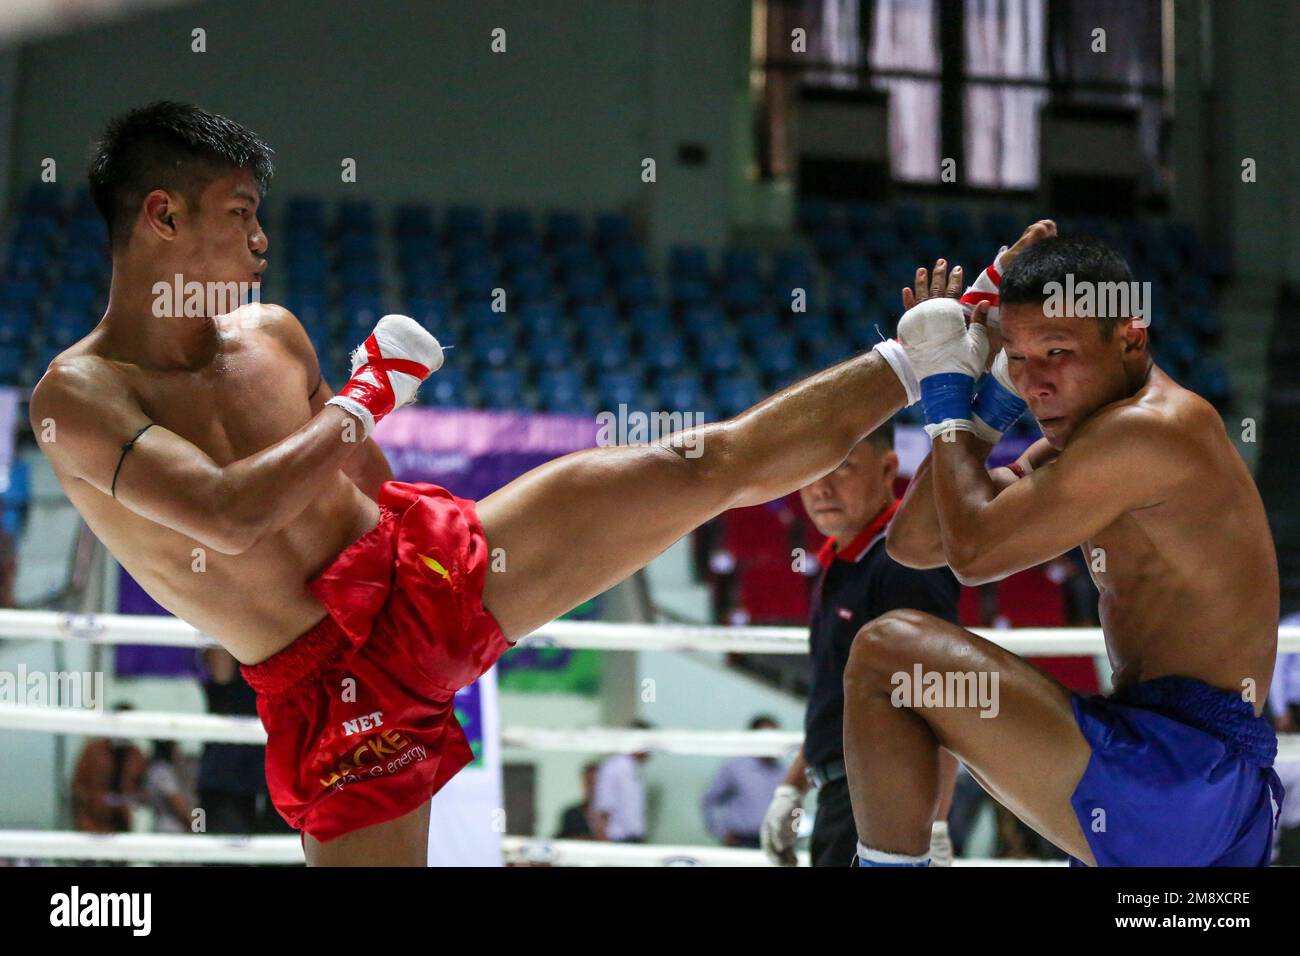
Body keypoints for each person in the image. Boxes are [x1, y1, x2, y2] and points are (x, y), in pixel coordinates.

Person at [33, 101, 922, 866]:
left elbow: (371, 484)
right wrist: (365, 398)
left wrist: (370, 440)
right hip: (330, 686)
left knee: (701, 463)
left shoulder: (274, 336)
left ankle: (924, 353)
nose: (262, 241)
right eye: (240, 212)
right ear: (162, 216)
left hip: (426, 570)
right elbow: (229, 515)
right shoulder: (79, 397)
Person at [844, 222, 1283, 866]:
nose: (1036, 381)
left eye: (1057, 351)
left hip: (1178, 766)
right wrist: (986, 398)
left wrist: (944, 389)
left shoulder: (1152, 432)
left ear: (1131, 335)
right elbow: (915, 542)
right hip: (1185, 781)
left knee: (891, 655)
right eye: (1017, 358)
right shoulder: (1086, 439)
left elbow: (971, 556)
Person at [761, 423, 960, 866]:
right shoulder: (843, 560)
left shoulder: (905, 563)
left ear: (889, 467)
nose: (822, 487)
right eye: (810, 472)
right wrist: (792, 786)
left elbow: (943, 696)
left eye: (842, 468)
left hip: (882, 803)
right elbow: (834, 698)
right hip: (844, 797)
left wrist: (938, 820)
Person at [702, 715, 788, 848]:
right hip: (742, 840)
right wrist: (721, 833)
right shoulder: (735, 767)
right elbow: (710, 801)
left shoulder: (783, 771)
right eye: (766, 737)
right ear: (753, 738)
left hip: (775, 842)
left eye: (776, 737)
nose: (772, 742)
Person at [70, 704, 146, 833]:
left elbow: (142, 790)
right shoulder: (93, 751)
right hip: (91, 824)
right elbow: (77, 787)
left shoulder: (137, 756)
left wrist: (129, 801)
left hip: (123, 825)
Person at [591, 722, 652, 843]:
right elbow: (603, 808)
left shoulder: (635, 770)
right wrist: (604, 842)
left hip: (634, 838)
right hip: (617, 839)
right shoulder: (613, 768)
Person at [143, 739, 194, 833]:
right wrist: (197, 827)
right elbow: (177, 804)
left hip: (171, 828)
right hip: (170, 830)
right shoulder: (162, 770)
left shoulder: (157, 769)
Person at [554, 762, 599, 840]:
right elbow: (559, 839)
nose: (592, 788)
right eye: (589, 783)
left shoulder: (616, 816)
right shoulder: (572, 814)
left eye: (596, 783)